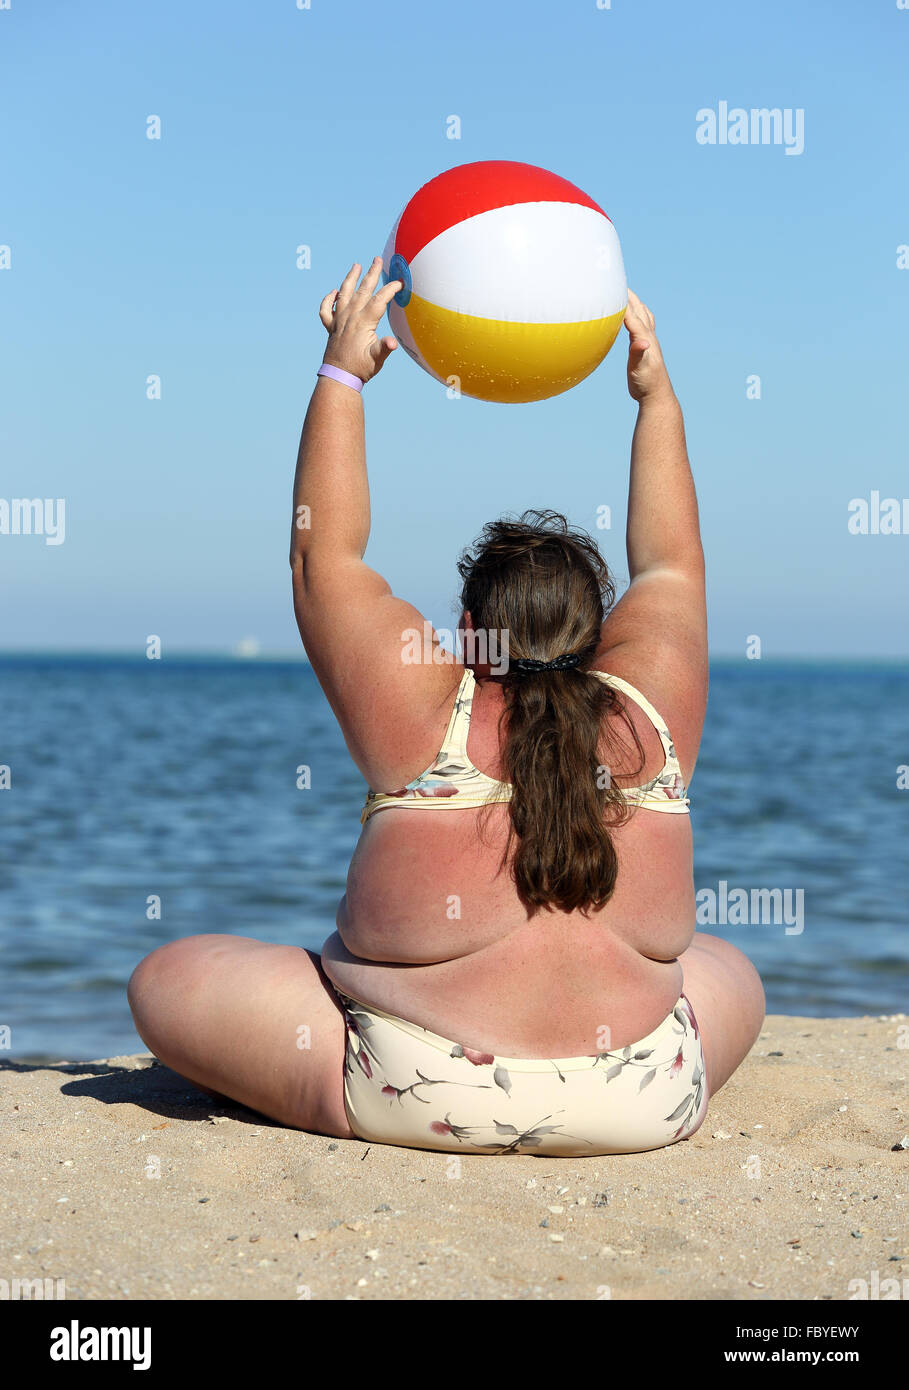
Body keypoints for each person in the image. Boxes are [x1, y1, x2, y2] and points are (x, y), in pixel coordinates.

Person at [128, 258, 764, 1155]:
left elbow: (326, 561)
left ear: (468, 634)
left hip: (422, 1093)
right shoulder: (649, 720)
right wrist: (654, 399)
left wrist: (342, 371)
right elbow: (671, 564)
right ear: (601, 629)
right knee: (728, 965)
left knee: (168, 974)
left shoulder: (423, 717)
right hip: (645, 1097)